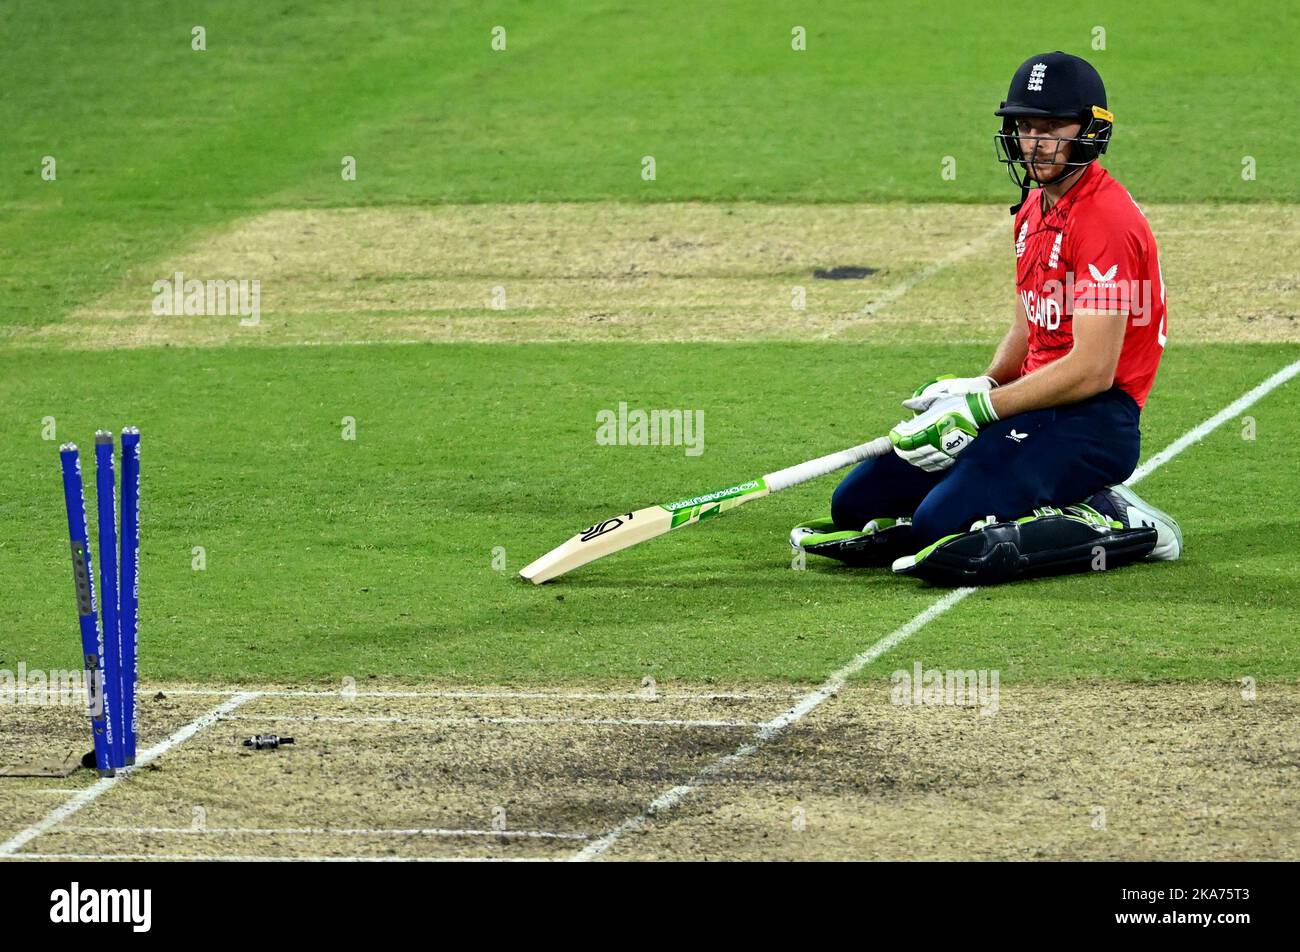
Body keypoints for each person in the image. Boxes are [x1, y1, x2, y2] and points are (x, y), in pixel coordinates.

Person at [792, 51, 1182, 585]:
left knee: (938, 520)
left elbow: (1093, 369)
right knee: (855, 503)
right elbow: (1030, 325)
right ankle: (1015, 495)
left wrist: (981, 408)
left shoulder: (1106, 221)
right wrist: (982, 384)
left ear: (1090, 131)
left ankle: (1119, 519)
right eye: (1025, 126)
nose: (1035, 142)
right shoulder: (1032, 209)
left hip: (1094, 420)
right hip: (1031, 404)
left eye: (1051, 128)